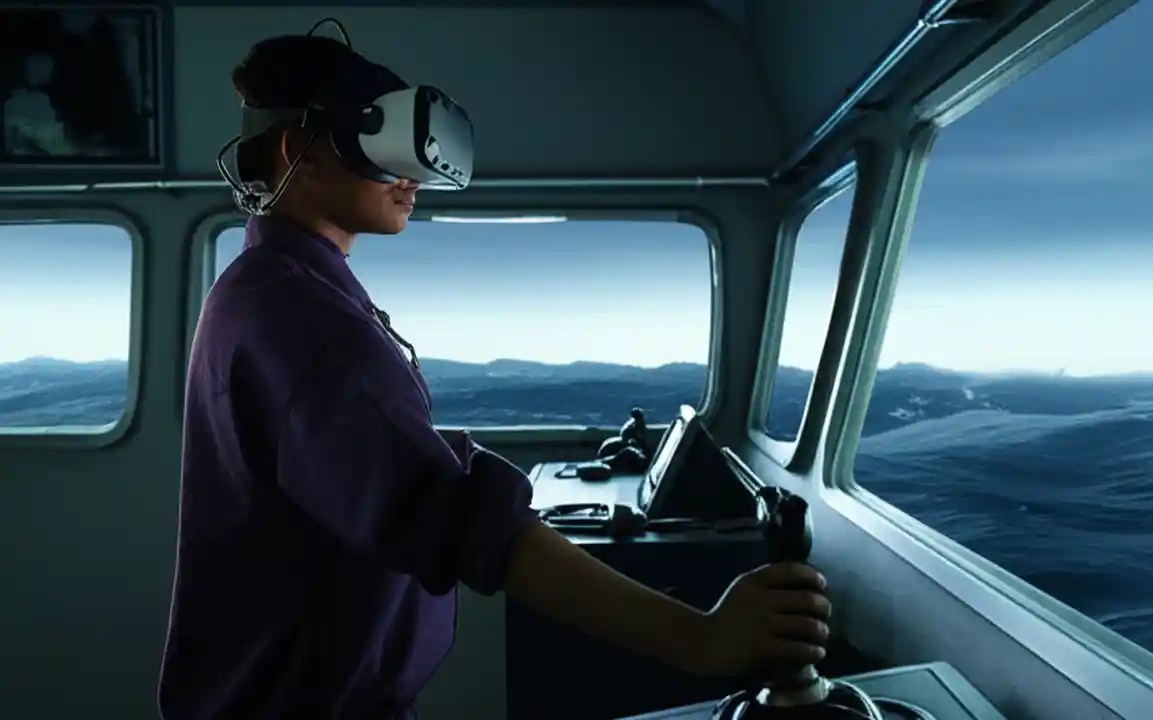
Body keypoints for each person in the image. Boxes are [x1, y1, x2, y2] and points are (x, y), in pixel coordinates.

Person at [158, 33, 832, 720]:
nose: (411, 171)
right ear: (290, 148)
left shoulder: (273, 289)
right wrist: (702, 638)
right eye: (382, 138)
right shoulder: (298, 317)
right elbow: (459, 519)